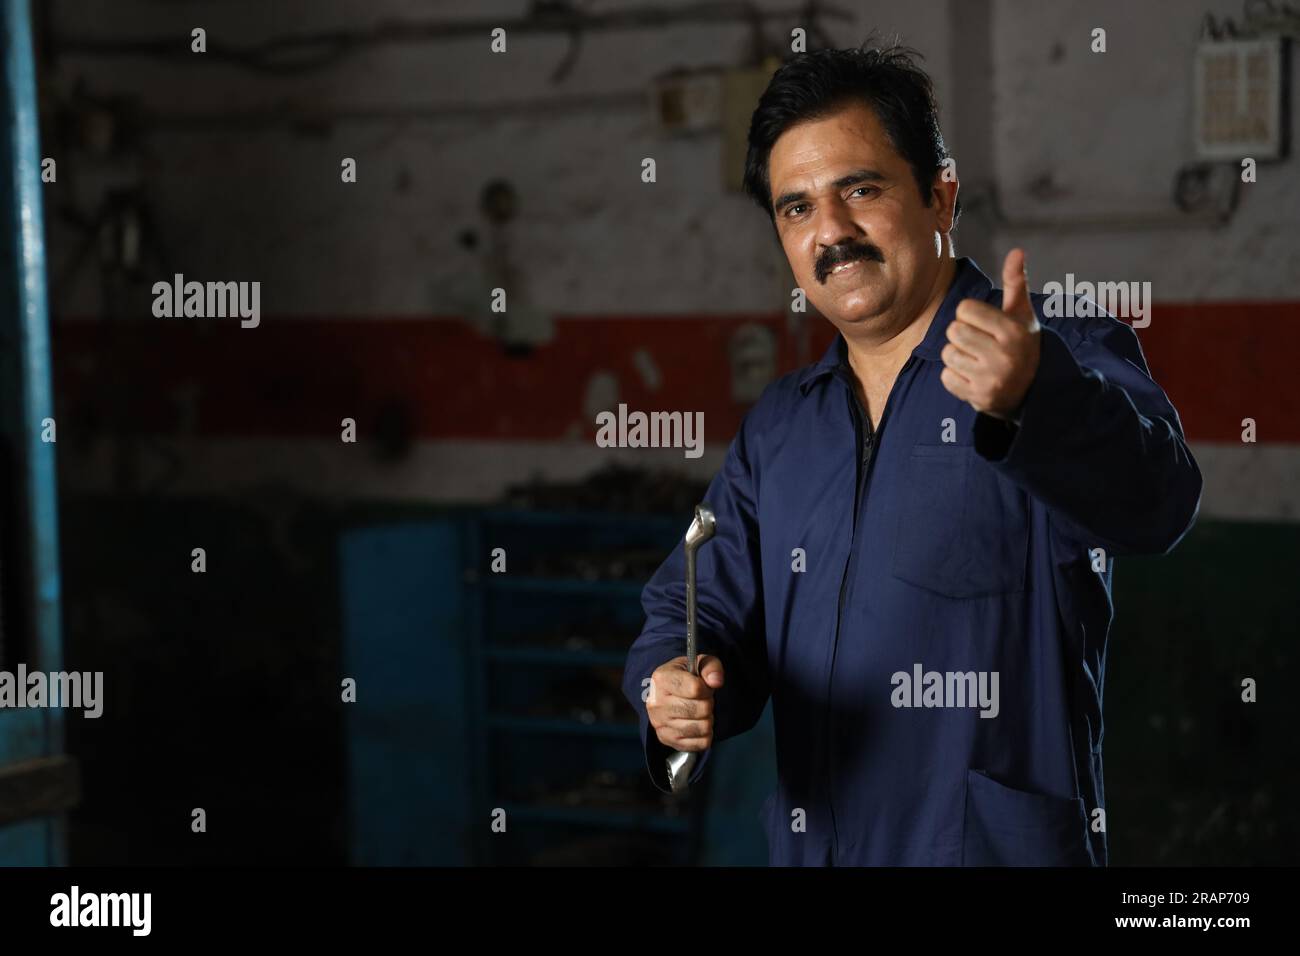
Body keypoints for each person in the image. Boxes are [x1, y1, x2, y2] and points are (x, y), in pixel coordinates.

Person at [620, 42, 1202, 866]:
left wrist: (1037, 400)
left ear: (940, 195)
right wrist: (670, 685)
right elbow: (697, 608)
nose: (832, 232)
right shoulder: (783, 427)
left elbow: (1161, 504)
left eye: (861, 189)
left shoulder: (1050, 355)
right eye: (796, 208)